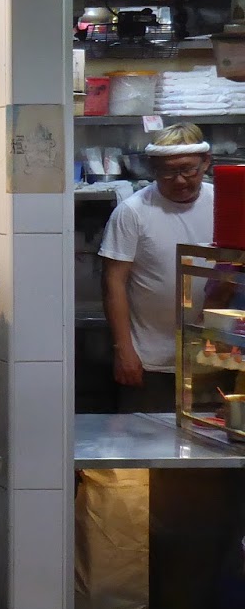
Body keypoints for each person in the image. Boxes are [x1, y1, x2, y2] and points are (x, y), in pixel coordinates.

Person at [99, 123, 213, 413]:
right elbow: (114, 282)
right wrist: (123, 350)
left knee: (210, 436)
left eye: (188, 169)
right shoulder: (133, 211)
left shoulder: (224, 202)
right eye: (167, 172)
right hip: (148, 360)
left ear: (206, 162)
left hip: (211, 354)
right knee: (145, 437)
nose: (179, 180)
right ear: (153, 168)